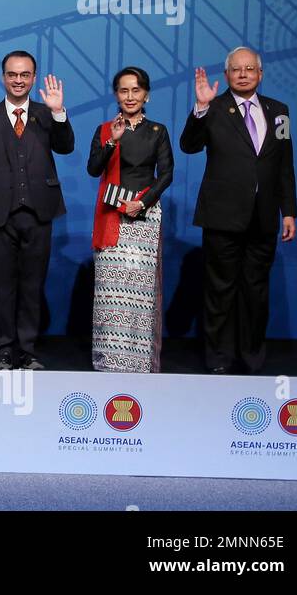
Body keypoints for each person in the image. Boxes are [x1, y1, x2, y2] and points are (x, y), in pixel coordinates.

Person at [180, 47, 297, 374]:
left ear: (260, 74)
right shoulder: (213, 108)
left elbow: (284, 164)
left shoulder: (280, 112)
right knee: (219, 291)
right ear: (227, 74)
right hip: (222, 216)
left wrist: (288, 210)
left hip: (264, 217)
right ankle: (219, 359)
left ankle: (252, 359)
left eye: (250, 69)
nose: (243, 74)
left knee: (256, 293)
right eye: (236, 69)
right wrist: (200, 108)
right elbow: (189, 145)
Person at [0, 50, 74, 370]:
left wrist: (59, 114)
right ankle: (2, 349)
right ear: (3, 77)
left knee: (32, 285)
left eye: (25, 74)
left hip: (39, 212)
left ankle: (28, 350)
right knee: (2, 286)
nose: (18, 80)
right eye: (12, 74)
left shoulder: (46, 113)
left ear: (34, 77)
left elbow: (65, 145)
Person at [86, 66, 173, 373]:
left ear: (146, 94)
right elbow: (93, 169)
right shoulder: (106, 129)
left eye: (136, 90)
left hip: (143, 218)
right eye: (124, 90)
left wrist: (142, 203)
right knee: (111, 290)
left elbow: (166, 174)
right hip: (111, 217)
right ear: (116, 95)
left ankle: (138, 362)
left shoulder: (157, 131)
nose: (130, 96)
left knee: (140, 290)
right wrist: (113, 141)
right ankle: (109, 360)